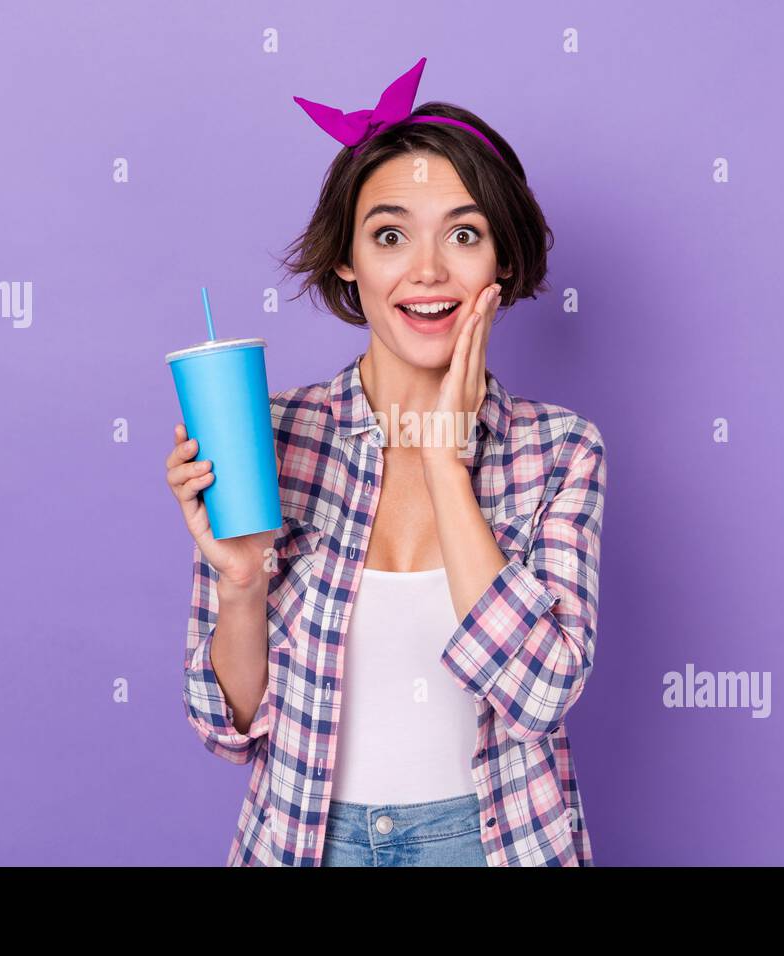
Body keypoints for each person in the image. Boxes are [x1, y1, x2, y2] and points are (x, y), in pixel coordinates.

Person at [165, 57, 607, 866]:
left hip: (492, 845)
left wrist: (445, 463)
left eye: (464, 235)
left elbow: (539, 694)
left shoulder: (560, 450)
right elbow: (226, 728)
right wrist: (240, 585)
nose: (428, 271)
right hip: (304, 844)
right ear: (348, 259)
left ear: (501, 262)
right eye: (391, 234)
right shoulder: (271, 435)